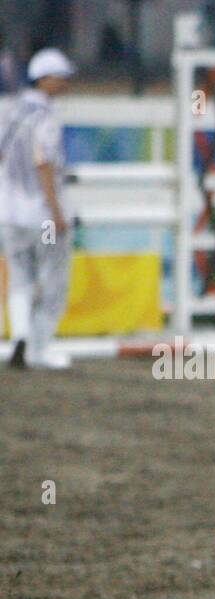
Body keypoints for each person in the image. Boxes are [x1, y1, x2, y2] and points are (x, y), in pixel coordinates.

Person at [0, 47, 75, 370]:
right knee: (52, 276)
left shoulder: (9, 111)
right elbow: (43, 163)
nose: (65, 83)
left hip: (10, 216)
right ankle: (39, 348)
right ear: (44, 78)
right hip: (42, 217)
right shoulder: (43, 117)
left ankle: (19, 334)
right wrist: (57, 213)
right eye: (60, 77)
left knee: (20, 278)